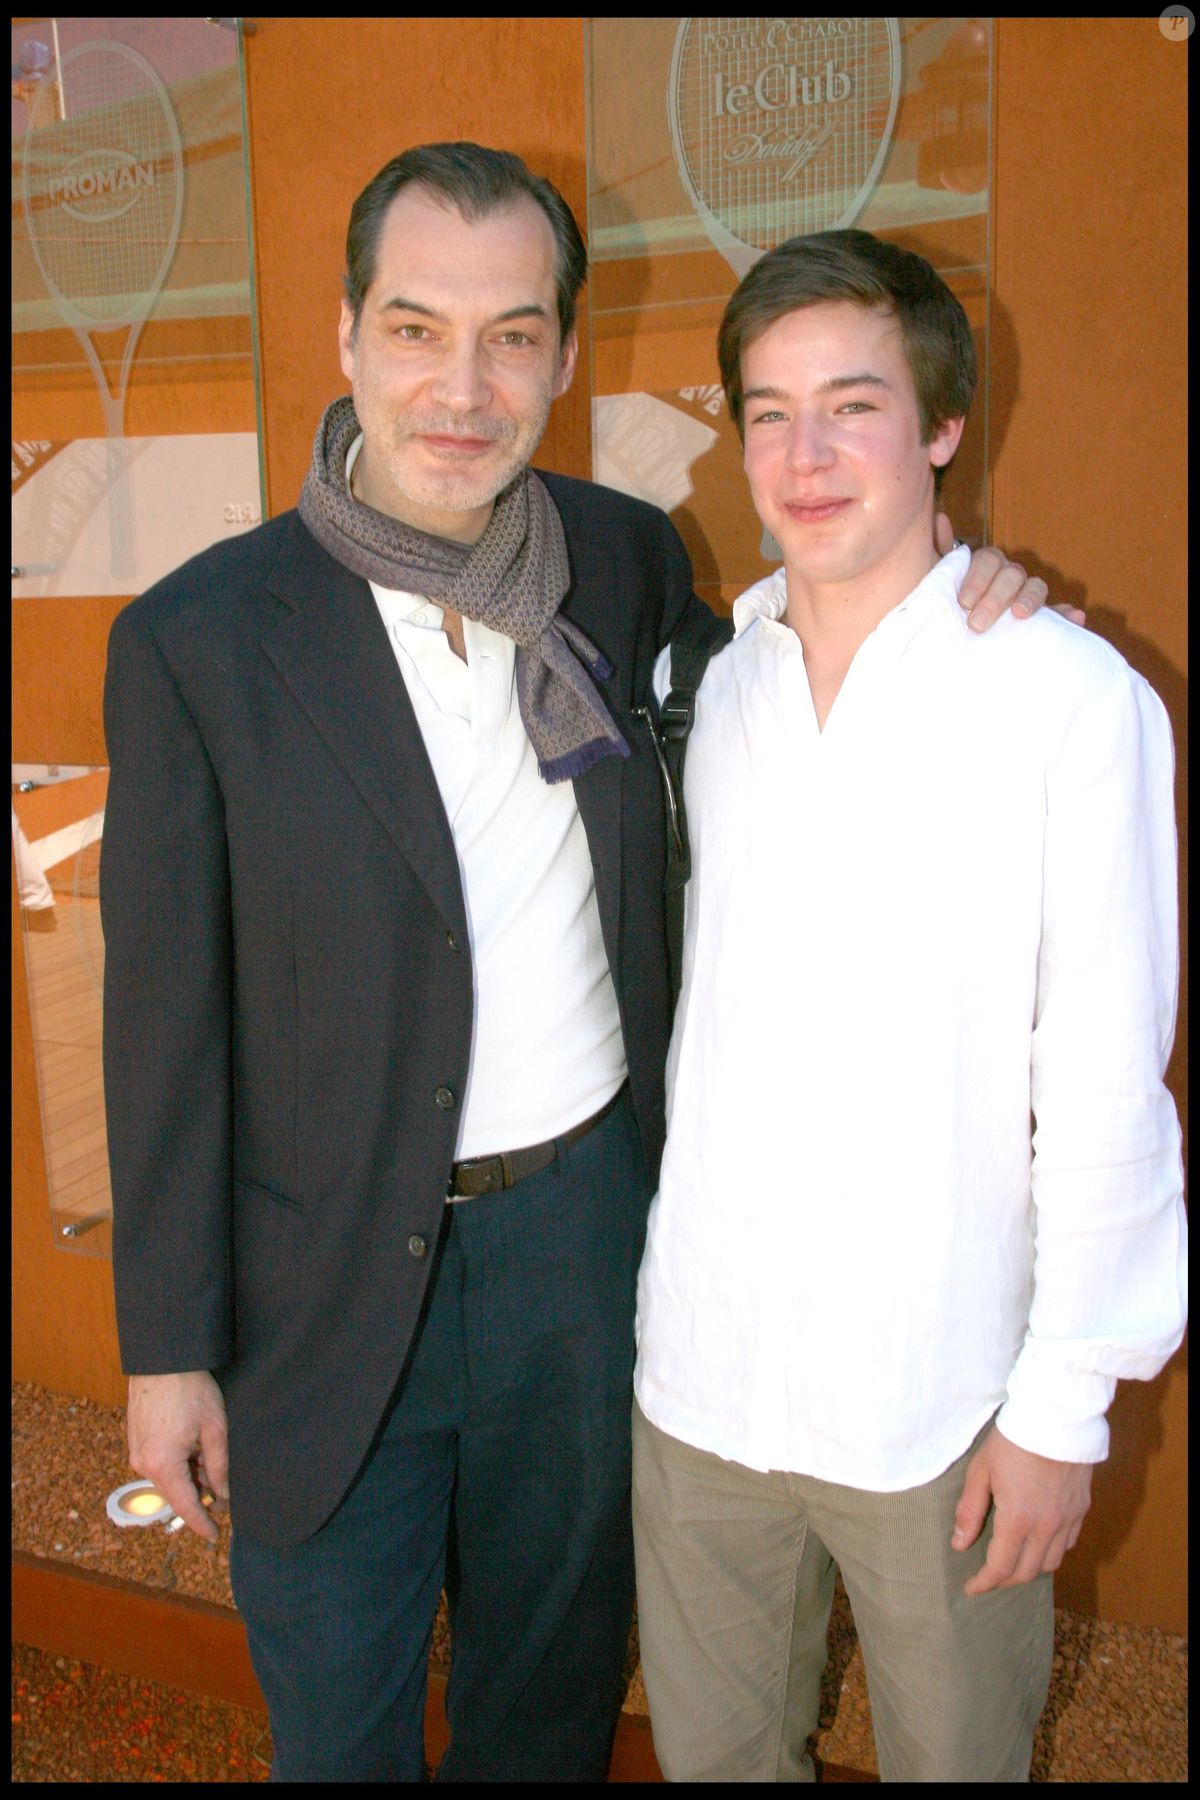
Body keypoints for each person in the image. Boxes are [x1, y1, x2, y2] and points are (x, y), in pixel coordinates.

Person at [102, 145, 1052, 1784]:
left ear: (562, 351)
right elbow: (164, 1028)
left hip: (582, 1250)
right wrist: (163, 1346)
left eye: (513, 335)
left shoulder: (614, 562)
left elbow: (798, 644)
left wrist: (968, 584)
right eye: (416, 329)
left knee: (544, 1712)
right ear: (346, 334)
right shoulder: (199, 639)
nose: (462, 388)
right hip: (320, 1285)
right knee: (336, 1735)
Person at [631, 228, 1187, 1784]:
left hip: (938, 1396)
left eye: (854, 406)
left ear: (944, 429)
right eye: (767, 411)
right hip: (701, 1382)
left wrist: (1063, 1408)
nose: (805, 457)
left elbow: (1103, 1081)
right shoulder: (718, 684)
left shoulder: (1067, 703)